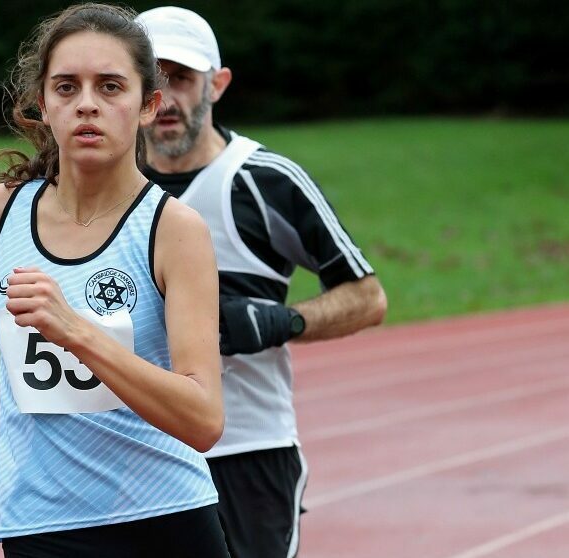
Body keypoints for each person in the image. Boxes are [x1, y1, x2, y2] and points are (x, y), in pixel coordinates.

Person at [0, 4, 231, 557]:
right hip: (38, 519)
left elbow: (203, 418)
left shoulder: (173, 231)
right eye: (67, 87)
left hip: (161, 517)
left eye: (110, 86)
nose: (87, 104)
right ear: (43, 105)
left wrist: (76, 330)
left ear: (148, 106)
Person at [135, 7, 389, 558]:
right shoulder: (104, 187)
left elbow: (367, 298)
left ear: (217, 84)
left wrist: (284, 321)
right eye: (152, 79)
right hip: (136, 450)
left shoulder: (264, 180)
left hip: (247, 450)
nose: (167, 98)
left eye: (182, 78)